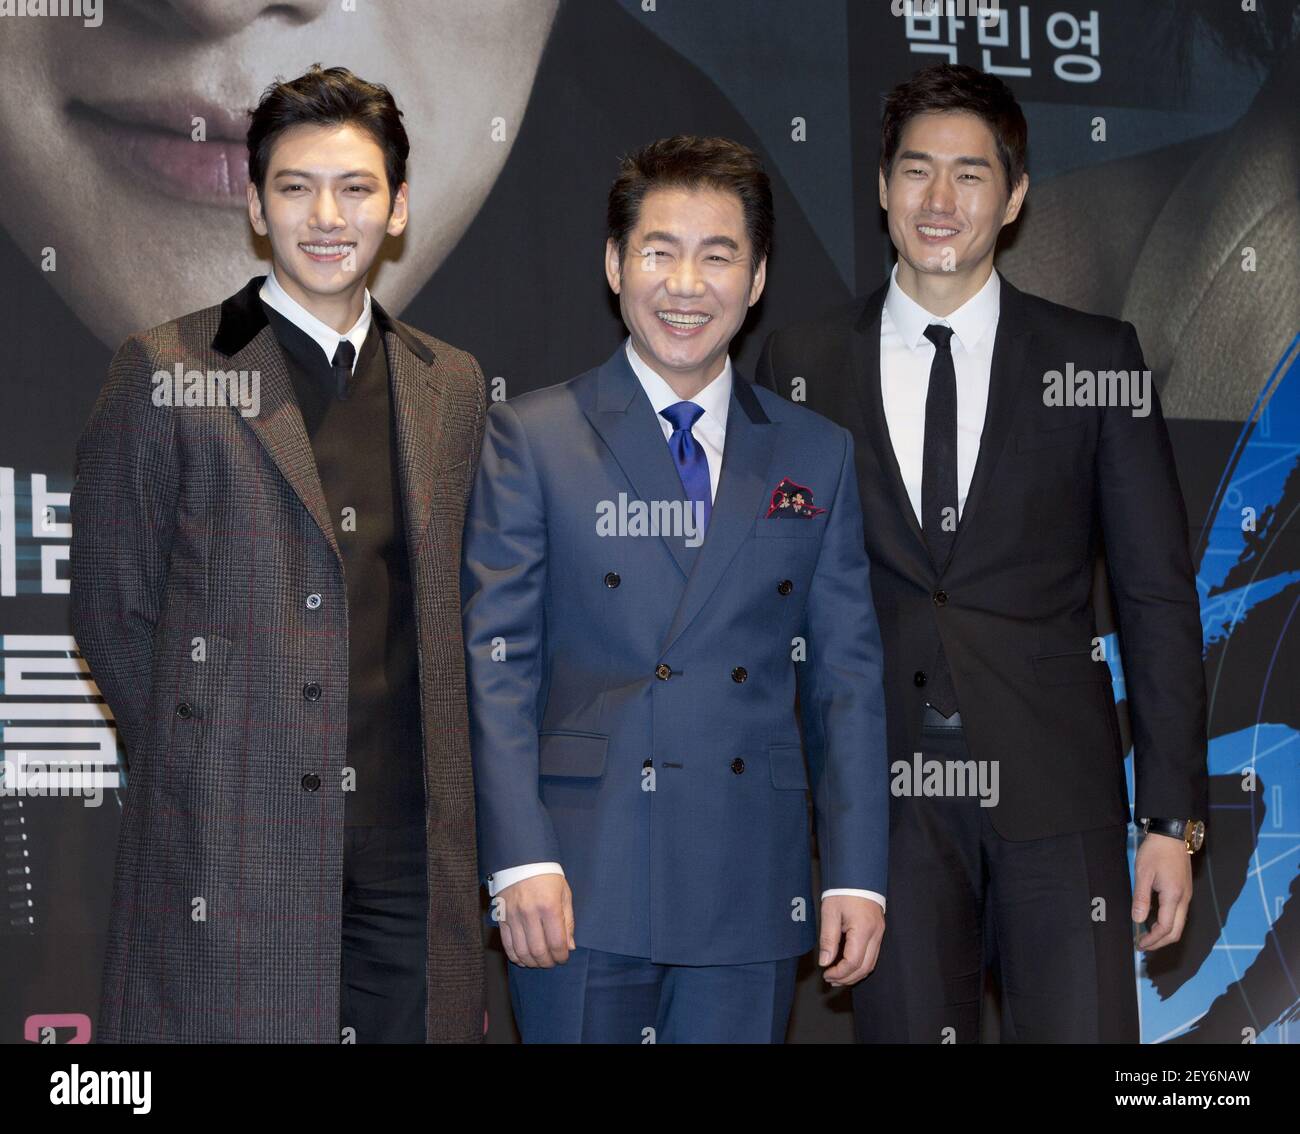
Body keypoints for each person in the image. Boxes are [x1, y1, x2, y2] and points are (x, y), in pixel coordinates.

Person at [757, 63, 1209, 1043]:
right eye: (915, 170)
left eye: (969, 174)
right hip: (883, 802)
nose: (938, 199)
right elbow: (773, 595)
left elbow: (1156, 596)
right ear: (880, 187)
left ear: (1013, 197)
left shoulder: (1095, 359)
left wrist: (1169, 816)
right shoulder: (801, 362)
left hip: (1058, 791)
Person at [69, 66, 486, 1043]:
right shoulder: (167, 370)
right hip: (232, 857)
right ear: (256, 205)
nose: (326, 216)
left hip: (409, 864)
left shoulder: (450, 385)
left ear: (398, 207)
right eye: (296, 187)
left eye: (356, 188)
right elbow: (110, 607)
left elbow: (453, 608)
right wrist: (212, 761)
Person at [461, 135, 888, 1044]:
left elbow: (844, 679)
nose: (686, 284)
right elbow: (499, 668)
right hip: (579, 875)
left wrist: (854, 872)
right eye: (659, 251)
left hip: (749, 873)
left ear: (759, 276)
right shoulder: (534, 437)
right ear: (615, 264)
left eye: (718, 255)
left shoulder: (816, 453)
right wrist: (519, 857)